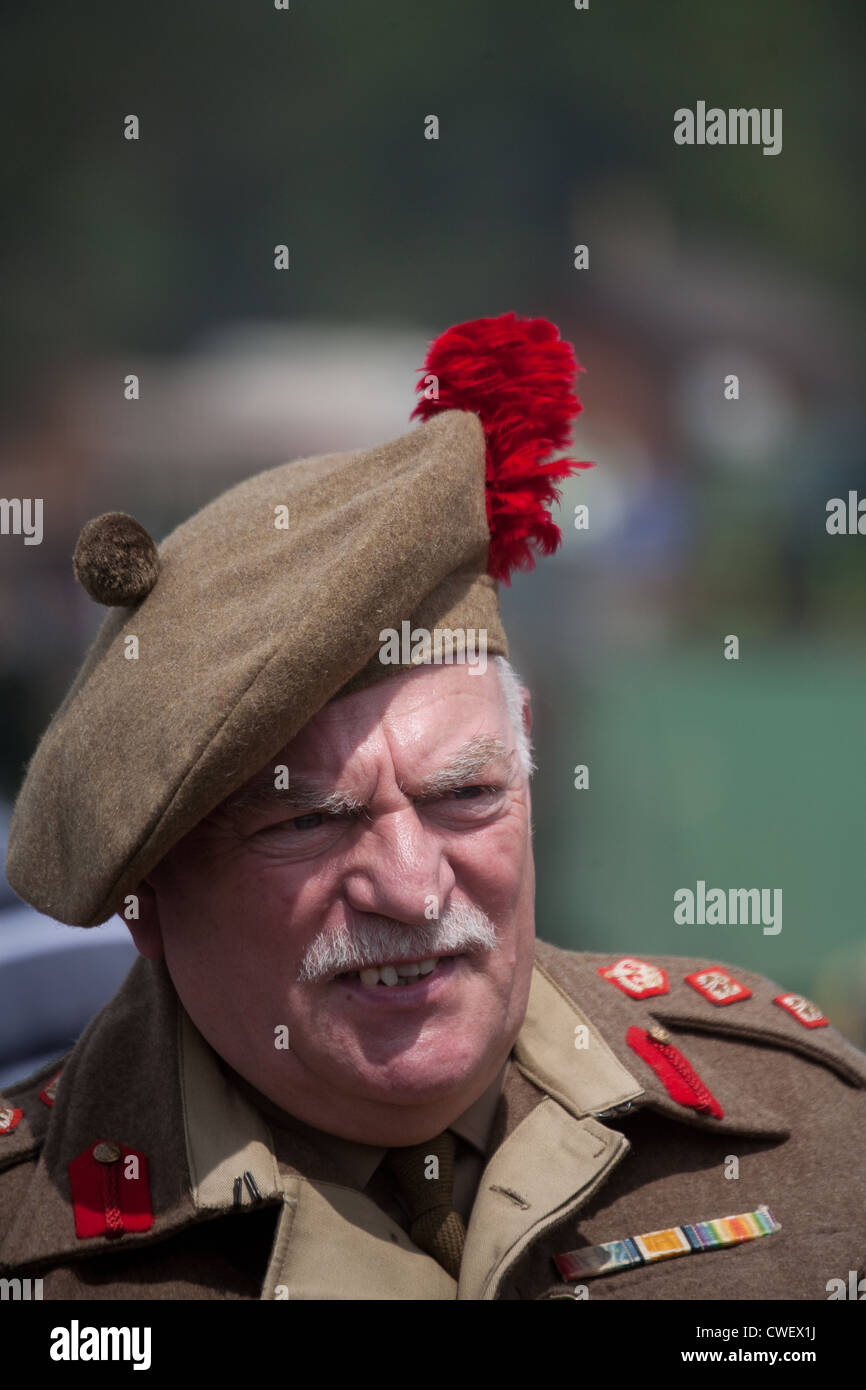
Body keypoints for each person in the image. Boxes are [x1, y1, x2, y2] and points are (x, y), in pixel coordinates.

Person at [1, 314, 864, 1301]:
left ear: (528, 755)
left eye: (463, 795)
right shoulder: (37, 1248)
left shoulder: (809, 1122)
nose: (412, 890)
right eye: (306, 822)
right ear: (150, 898)